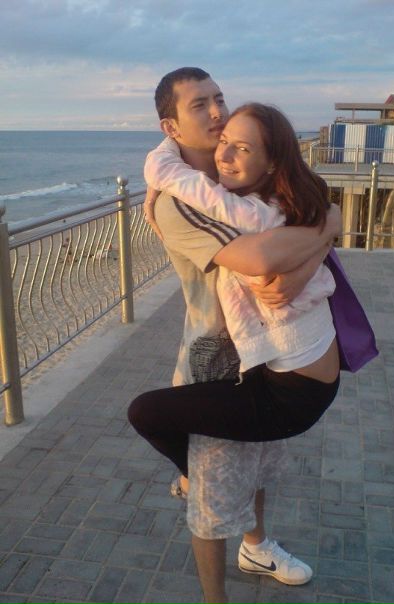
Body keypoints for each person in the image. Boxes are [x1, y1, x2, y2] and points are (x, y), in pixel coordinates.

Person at [129, 68, 341, 604]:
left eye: (219, 98)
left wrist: (322, 230)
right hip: (217, 362)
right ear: (171, 127)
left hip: (264, 353)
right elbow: (264, 258)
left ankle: (257, 547)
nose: (217, 112)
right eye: (199, 105)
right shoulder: (180, 200)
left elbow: (300, 220)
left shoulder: (236, 177)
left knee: (257, 464)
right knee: (211, 498)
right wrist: (324, 230)